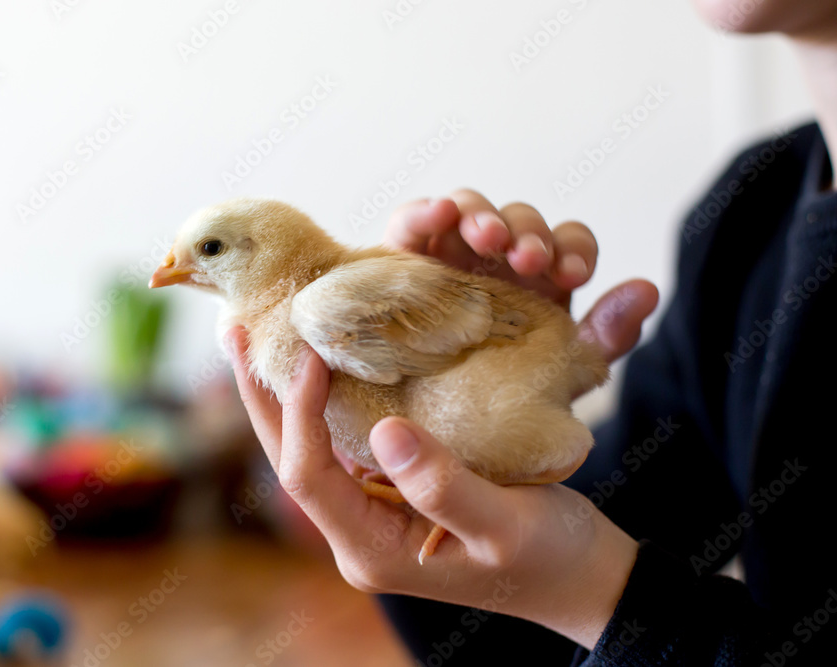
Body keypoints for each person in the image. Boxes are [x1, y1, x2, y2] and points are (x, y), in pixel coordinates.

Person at [223, 0, 837, 663]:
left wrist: (603, 592)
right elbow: (533, 638)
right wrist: (451, 465)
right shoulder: (750, 219)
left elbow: (609, 595)